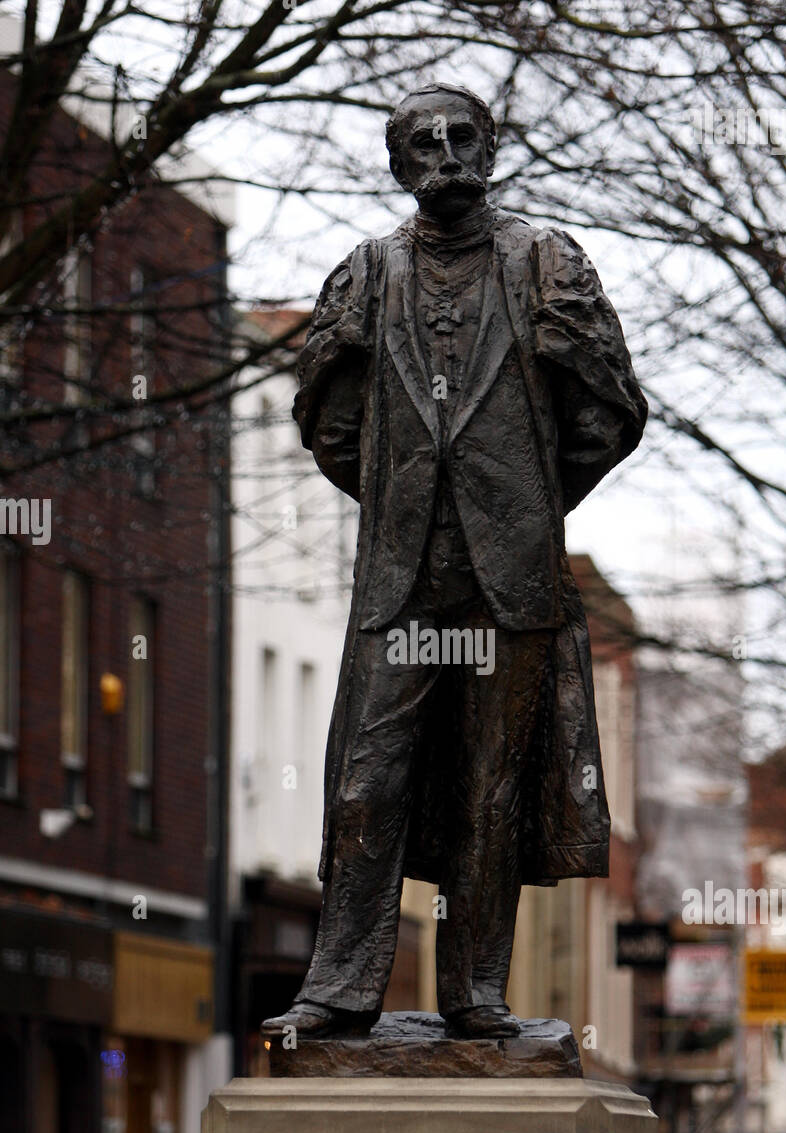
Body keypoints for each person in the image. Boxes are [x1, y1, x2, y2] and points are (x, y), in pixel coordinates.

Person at [262, 84, 647, 1041]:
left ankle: (475, 993)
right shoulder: (366, 272)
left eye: (461, 137)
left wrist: (526, 500)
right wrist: (404, 498)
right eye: (422, 144)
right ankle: (343, 986)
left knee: (492, 787)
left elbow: (610, 409)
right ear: (398, 165)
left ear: (490, 147)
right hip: (404, 580)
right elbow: (328, 422)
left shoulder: (545, 262)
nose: (445, 155)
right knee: (365, 778)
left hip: (508, 580)